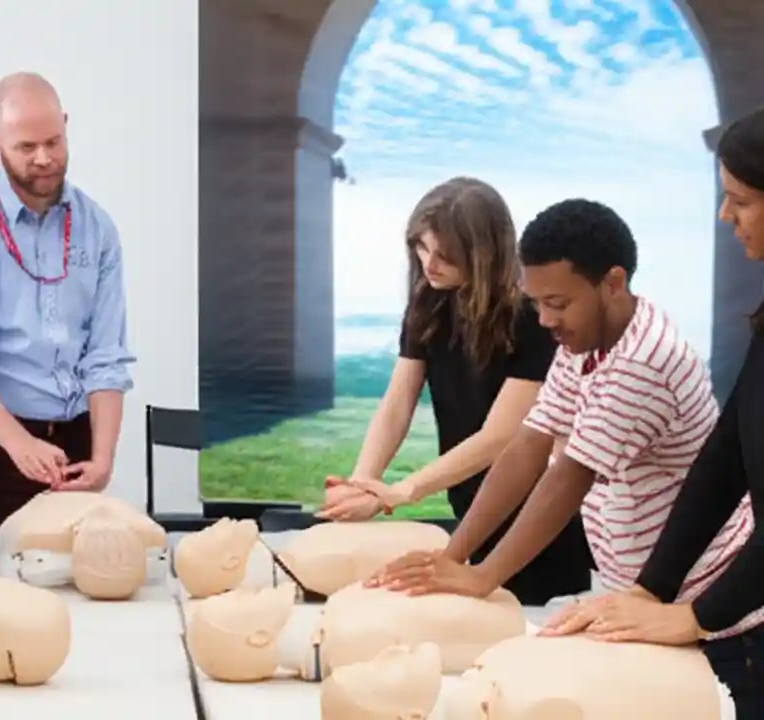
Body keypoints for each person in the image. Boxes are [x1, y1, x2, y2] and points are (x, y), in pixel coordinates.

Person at [368, 199, 750, 616]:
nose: (546, 320)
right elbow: (528, 444)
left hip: (702, 591)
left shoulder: (640, 362)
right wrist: (453, 557)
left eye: (557, 304)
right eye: (537, 304)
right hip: (644, 586)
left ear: (613, 283)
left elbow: (568, 477)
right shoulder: (586, 337)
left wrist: (483, 576)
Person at [538, 108, 764, 717]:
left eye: (740, 201)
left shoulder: (644, 358)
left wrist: (694, 614)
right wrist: (651, 588)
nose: (726, 216)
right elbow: (727, 460)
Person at [316, 177, 591, 605]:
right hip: (470, 512)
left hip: (533, 521)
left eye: (444, 255)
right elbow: (397, 403)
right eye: (421, 249)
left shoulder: (529, 316)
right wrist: (364, 481)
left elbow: (501, 436)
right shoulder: (429, 302)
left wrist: (401, 492)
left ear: (483, 252)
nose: (428, 264)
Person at [0, 71, 135, 546]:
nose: (44, 159)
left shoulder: (98, 228)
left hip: (73, 446)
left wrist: (103, 458)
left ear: (66, 126)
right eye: (26, 147)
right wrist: (18, 444)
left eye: (54, 141)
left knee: (79, 595)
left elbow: (106, 356)